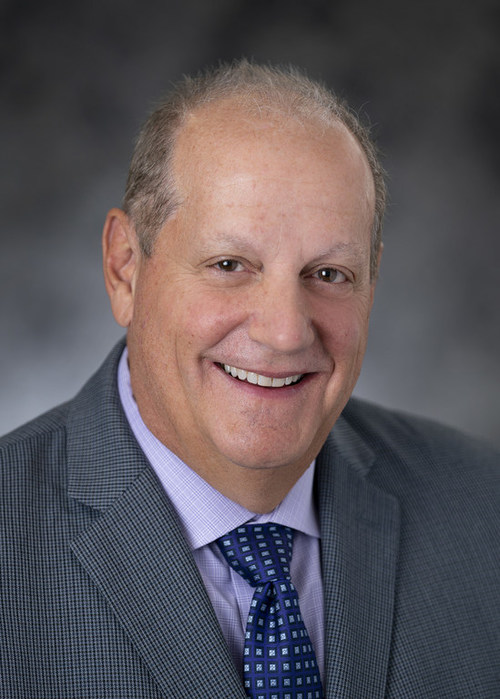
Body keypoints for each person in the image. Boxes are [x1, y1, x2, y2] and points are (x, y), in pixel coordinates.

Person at [1, 60, 499, 699]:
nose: (285, 332)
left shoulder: (483, 509)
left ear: (371, 285)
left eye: (329, 274)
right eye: (230, 264)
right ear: (125, 268)